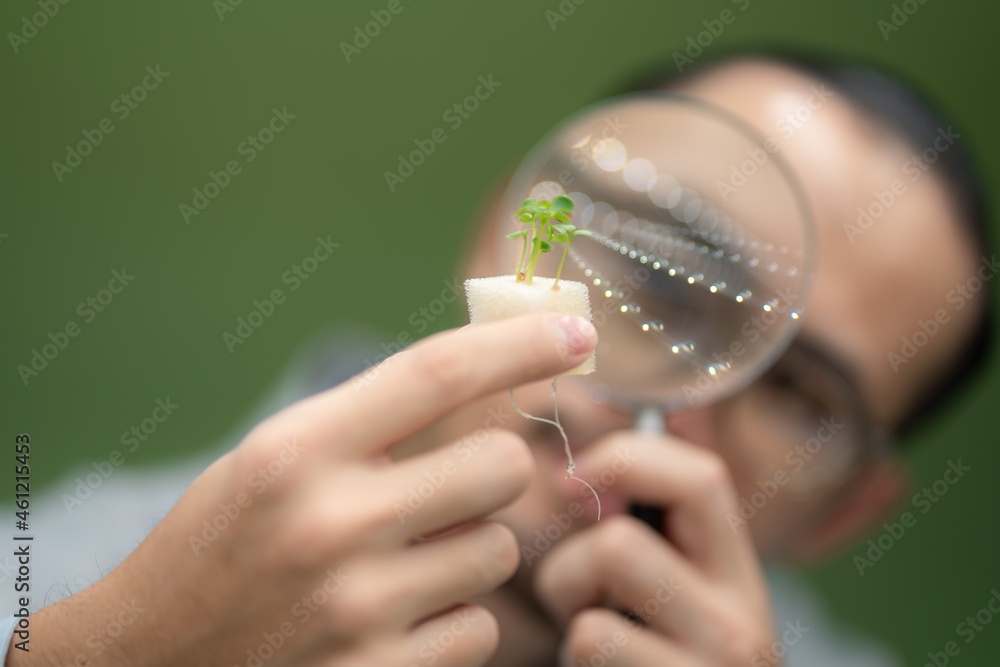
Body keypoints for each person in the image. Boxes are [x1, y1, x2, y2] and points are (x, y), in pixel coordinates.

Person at [2, 51, 993, 666]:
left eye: (793, 390)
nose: (681, 405)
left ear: (843, 512)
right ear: (506, 230)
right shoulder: (45, 581)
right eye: (653, 276)